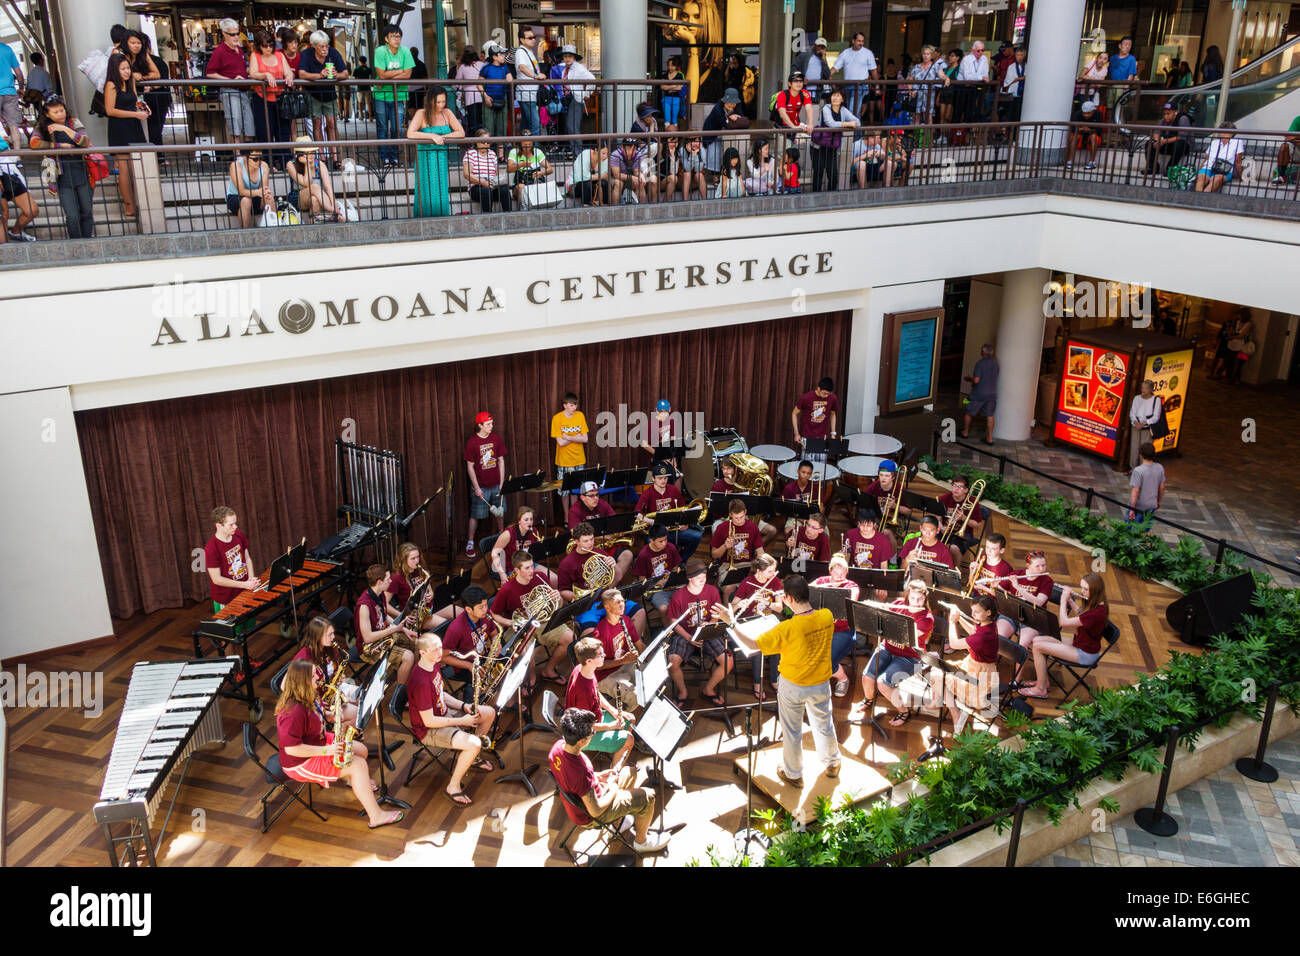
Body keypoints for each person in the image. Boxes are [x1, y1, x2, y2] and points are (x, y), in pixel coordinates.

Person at [276, 660, 403, 828]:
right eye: (313, 676)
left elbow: (316, 712)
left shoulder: (307, 693)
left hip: (318, 741)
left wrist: (328, 714)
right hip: (301, 761)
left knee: (362, 750)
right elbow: (292, 749)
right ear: (302, 680)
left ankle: (355, 781)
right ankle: (376, 816)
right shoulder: (293, 713)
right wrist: (327, 750)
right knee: (358, 765)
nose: (318, 678)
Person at [756, 575, 840, 785]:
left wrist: (731, 623)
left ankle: (793, 773)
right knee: (824, 723)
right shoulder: (827, 616)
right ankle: (832, 763)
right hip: (821, 682)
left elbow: (755, 643)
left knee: (792, 731)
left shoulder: (788, 628)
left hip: (793, 685)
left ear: (788, 599)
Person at [549, 707, 669, 854]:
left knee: (629, 772)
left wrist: (597, 776)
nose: (594, 734)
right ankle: (641, 842)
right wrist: (613, 788)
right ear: (581, 741)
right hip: (590, 815)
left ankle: (617, 826)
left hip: (583, 799)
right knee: (648, 796)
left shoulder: (557, 748)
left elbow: (570, 779)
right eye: (592, 733)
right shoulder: (581, 771)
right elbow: (596, 810)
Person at [408, 633, 495, 806]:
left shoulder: (432, 665)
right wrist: (462, 721)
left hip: (443, 715)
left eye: (440, 647)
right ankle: (453, 787)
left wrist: (464, 706)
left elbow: (441, 694)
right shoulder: (420, 681)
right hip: (429, 730)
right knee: (474, 744)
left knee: (489, 712)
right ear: (422, 653)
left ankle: (473, 759)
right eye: (434, 650)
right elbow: (429, 721)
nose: (440, 653)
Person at [1015, 574, 1110, 701]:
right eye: (1082, 588)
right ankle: (1043, 682)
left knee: (1038, 647)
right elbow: (1081, 615)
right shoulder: (1096, 603)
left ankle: (1041, 689)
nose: (1082, 592)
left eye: (1086, 589)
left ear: (1096, 589)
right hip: (1080, 643)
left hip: (1085, 653)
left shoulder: (1097, 612)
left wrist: (1063, 600)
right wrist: (1070, 600)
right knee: (1036, 640)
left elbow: (1063, 623)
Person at [854, 578, 933, 727]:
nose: (916, 603)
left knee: (883, 683)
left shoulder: (926, 618)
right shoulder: (897, 604)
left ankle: (904, 711)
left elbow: (906, 635)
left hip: (910, 657)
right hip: (888, 648)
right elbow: (879, 619)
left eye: (920, 599)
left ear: (925, 598)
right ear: (908, 595)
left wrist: (887, 622)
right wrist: (873, 608)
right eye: (913, 598)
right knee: (867, 677)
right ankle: (869, 699)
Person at [489, 552, 572, 682]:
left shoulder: (541, 577)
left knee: (570, 638)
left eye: (532, 566)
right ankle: (530, 677)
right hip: (519, 627)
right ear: (517, 570)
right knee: (527, 655)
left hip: (542, 621)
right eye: (527, 568)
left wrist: (558, 598)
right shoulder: (507, 589)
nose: (532, 570)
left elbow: (557, 605)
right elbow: (493, 614)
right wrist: (511, 622)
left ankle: (549, 670)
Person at [666, 559, 727, 706]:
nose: (703, 581)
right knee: (672, 663)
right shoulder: (679, 596)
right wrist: (688, 637)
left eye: (704, 577)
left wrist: (710, 624)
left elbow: (717, 614)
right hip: (686, 633)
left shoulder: (712, 591)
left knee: (728, 661)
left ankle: (708, 689)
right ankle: (683, 692)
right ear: (690, 578)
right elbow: (673, 622)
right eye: (699, 578)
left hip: (707, 632)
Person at [566, 637, 634, 767]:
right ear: (590, 660)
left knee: (630, 718)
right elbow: (586, 726)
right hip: (583, 735)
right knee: (629, 739)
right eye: (601, 655)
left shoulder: (585, 669)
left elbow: (596, 693)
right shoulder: (581, 691)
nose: (605, 655)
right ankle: (614, 774)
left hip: (595, 718)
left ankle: (619, 756)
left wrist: (612, 711)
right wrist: (612, 726)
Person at [941, 593, 1001, 732]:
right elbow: (973, 631)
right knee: (942, 675)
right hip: (974, 664)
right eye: (972, 611)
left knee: (941, 678)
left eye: (977, 612)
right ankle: (958, 710)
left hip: (982, 673)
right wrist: (960, 617)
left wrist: (952, 621)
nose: (973, 615)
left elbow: (955, 644)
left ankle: (957, 713)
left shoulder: (983, 636)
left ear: (988, 612)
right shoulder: (987, 623)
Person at [104, 54, 150, 218]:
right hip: (119, 127)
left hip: (133, 124)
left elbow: (136, 100)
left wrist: (143, 108)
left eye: (128, 68)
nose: (126, 72)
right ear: (115, 70)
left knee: (136, 167)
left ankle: (139, 202)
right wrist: (134, 114)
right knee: (123, 167)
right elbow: (110, 110)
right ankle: (128, 205)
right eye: (122, 69)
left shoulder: (130, 82)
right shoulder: (111, 85)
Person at [356, 563, 417, 682]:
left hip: (384, 635)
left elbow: (384, 615)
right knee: (408, 657)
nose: (390, 581)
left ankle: (408, 677)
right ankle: (400, 694)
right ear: (379, 582)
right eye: (388, 579)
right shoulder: (364, 605)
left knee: (416, 641)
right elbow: (367, 638)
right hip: (369, 648)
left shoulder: (380, 594)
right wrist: (394, 629)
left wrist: (402, 628)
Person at [409, 85, 464, 217]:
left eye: (443, 101)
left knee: (441, 189)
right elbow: (410, 133)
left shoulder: (447, 113)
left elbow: (461, 132)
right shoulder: (421, 113)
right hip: (425, 157)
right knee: (426, 190)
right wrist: (431, 136)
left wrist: (443, 137)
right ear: (430, 101)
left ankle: (442, 217)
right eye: (438, 102)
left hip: (441, 157)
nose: (441, 105)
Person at [810, 554, 860, 697]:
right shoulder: (822, 581)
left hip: (842, 630)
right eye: (836, 573)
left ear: (847, 573)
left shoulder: (851, 585)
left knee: (827, 660)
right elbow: (807, 591)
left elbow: (852, 597)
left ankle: (843, 679)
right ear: (830, 571)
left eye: (842, 573)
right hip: (820, 628)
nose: (839, 577)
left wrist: (832, 589)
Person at [298, 30, 349, 171]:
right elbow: (301, 73)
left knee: (332, 123)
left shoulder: (333, 53)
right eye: (321, 46)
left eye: (326, 45)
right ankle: (321, 157)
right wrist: (319, 75)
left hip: (329, 93)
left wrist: (336, 75)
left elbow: (345, 73)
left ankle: (335, 158)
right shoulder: (307, 54)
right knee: (317, 123)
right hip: (313, 93)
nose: (325, 49)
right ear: (314, 46)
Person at [293, 615, 356, 728]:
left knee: (362, 696)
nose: (333, 637)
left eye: (333, 633)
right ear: (317, 636)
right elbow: (286, 686)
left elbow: (332, 670)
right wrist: (316, 703)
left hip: (332, 690)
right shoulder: (303, 657)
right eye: (329, 635)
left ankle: (352, 733)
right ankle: (338, 740)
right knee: (355, 713)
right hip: (320, 702)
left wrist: (338, 677)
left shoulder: (330, 647)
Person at [588, 589, 646, 711]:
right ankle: (621, 721)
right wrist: (623, 661)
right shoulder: (601, 633)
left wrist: (650, 659)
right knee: (635, 698)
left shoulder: (625, 620)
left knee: (648, 679)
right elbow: (597, 666)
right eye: (617, 602)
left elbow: (639, 644)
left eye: (622, 601)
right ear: (607, 607)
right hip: (604, 675)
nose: (622, 604)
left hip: (623, 665)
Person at [246, 30, 294, 167]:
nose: (268, 48)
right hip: (262, 99)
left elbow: (288, 71)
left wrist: (289, 76)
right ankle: (268, 164)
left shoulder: (279, 55)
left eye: (270, 45)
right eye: (265, 46)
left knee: (283, 132)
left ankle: (286, 163)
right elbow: (253, 73)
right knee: (265, 132)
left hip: (279, 98)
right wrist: (265, 74)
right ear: (259, 46)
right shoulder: (255, 56)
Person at [635, 461, 702, 558]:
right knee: (651, 542)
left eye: (665, 478)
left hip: (673, 530)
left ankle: (680, 561)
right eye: (660, 478)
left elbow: (682, 509)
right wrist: (654, 522)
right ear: (653, 479)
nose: (663, 481)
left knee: (697, 536)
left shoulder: (673, 490)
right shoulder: (647, 493)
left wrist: (684, 523)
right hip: (656, 532)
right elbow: (637, 514)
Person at [205, 18, 254, 147]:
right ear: (225, 34)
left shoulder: (239, 49)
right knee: (235, 125)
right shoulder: (219, 51)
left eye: (237, 33)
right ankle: (238, 156)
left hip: (243, 89)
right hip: (230, 90)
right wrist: (231, 80)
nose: (236, 36)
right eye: (232, 34)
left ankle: (247, 155)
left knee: (248, 125)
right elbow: (210, 73)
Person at [558, 522, 636, 602]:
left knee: (639, 611)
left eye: (592, 539)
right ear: (576, 541)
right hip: (584, 604)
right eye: (586, 541)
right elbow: (563, 591)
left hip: (605, 599)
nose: (590, 543)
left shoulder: (599, 552)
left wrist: (614, 565)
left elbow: (618, 577)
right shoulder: (566, 563)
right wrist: (582, 600)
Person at [464, 410, 507, 555]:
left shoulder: (496, 438)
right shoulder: (472, 443)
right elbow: (469, 466)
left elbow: (501, 461)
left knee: (499, 513)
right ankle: (470, 542)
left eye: (492, 423)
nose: (491, 426)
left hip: (496, 485)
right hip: (481, 486)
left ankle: (502, 535)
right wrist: (476, 488)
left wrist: (502, 483)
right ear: (480, 425)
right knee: (475, 516)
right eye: (488, 424)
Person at [373, 24, 413, 167]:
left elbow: (408, 75)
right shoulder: (380, 51)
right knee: (382, 128)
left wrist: (388, 75)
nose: (396, 39)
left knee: (397, 128)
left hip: (399, 95)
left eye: (398, 36)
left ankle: (395, 157)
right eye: (393, 36)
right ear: (386, 38)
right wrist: (400, 70)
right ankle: (384, 158)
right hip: (381, 95)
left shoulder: (405, 51)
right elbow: (381, 74)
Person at [203, 505, 256, 610]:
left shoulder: (238, 535)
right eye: (231, 525)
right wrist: (245, 585)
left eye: (235, 523)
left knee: (250, 625)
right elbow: (217, 579)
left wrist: (251, 579)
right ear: (218, 526)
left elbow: (248, 559)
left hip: (245, 590)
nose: (235, 527)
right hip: (226, 598)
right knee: (234, 626)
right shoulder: (211, 548)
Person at [286, 136, 342, 222]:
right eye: (307, 153)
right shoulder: (291, 164)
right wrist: (307, 164)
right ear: (299, 154)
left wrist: (334, 203)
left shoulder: (320, 164)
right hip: (297, 197)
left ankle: (313, 224)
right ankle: (334, 212)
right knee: (314, 187)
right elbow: (306, 183)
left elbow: (328, 188)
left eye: (312, 152)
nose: (311, 155)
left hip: (317, 197)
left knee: (314, 200)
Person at [710, 498, 766, 579]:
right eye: (736, 518)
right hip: (727, 565)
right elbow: (714, 555)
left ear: (745, 512)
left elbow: (760, 551)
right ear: (730, 514)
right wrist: (725, 546)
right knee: (729, 587)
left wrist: (762, 563)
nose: (739, 521)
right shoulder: (721, 527)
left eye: (742, 517)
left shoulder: (753, 527)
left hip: (747, 564)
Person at [633, 524, 682, 615]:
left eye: (665, 540)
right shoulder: (643, 555)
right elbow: (642, 580)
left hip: (671, 585)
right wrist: (658, 583)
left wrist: (673, 579)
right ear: (651, 540)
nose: (664, 543)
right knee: (665, 609)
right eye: (660, 541)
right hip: (655, 589)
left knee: (687, 600)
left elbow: (675, 568)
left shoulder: (670, 547)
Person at [939, 474, 987, 565]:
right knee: (931, 539)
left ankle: (955, 572)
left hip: (964, 533)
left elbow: (978, 525)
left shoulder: (972, 502)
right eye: (954, 485)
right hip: (945, 529)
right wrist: (941, 527)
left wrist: (964, 518)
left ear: (966, 490)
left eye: (960, 487)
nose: (956, 489)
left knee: (954, 548)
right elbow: (937, 518)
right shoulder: (944, 499)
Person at [551, 392, 589, 507]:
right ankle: (566, 518)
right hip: (564, 461)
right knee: (564, 492)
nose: (575, 407)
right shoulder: (557, 418)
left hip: (579, 459)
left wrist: (568, 437)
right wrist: (577, 437)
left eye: (575, 405)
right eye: (572, 405)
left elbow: (585, 439)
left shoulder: (580, 415)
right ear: (565, 405)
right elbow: (561, 442)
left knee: (575, 491)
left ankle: (574, 515)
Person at [490, 505, 543, 584]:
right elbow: (494, 553)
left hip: (529, 565)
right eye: (526, 520)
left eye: (531, 519)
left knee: (553, 578)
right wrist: (502, 574)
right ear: (519, 521)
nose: (529, 522)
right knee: (533, 584)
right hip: (513, 568)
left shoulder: (534, 532)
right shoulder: (508, 534)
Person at [462, 128, 511, 212]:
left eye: (488, 142)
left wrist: (499, 181)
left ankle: (509, 216)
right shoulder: (471, 153)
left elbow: (496, 173)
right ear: (476, 141)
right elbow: (466, 174)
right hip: (476, 187)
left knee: (505, 190)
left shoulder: (492, 153)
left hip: (492, 184)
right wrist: (483, 182)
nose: (485, 144)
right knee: (486, 191)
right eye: (483, 141)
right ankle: (488, 217)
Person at [2, 131, 38, 243]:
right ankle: (6, 243)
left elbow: (5, 144)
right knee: (3, 214)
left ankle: (15, 232)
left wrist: (5, 142)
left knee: (32, 210)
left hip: (8, 170)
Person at [834, 33, 879, 120]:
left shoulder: (867, 53)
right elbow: (835, 68)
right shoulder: (846, 53)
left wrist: (877, 86)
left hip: (861, 86)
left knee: (852, 111)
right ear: (853, 41)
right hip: (848, 86)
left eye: (862, 41)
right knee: (855, 113)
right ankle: (857, 133)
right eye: (859, 41)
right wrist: (826, 76)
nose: (861, 43)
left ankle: (849, 133)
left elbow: (874, 71)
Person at [701, 87, 744, 179]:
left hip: (723, 134)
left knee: (721, 154)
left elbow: (741, 118)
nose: (732, 105)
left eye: (734, 103)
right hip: (711, 132)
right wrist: (732, 117)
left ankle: (721, 173)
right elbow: (725, 123)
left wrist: (737, 118)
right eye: (729, 103)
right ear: (724, 101)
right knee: (714, 154)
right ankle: (714, 176)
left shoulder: (738, 105)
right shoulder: (717, 108)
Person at [224, 148, 272, 228]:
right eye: (255, 159)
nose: (259, 161)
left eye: (261, 158)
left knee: (270, 199)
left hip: (254, 196)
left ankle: (275, 229)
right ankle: (246, 233)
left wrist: (265, 195)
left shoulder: (264, 166)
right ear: (245, 158)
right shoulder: (236, 166)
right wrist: (258, 192)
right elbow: (241, 191)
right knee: (246, 201)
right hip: (235, 197)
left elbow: (264, 188)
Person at [963, 343, 998, 444]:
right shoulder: (995, 363)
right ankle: (990, 439)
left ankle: (965, 432)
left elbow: (977, 380)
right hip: (992, 393)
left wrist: (969, 378)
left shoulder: (980, 363)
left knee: (968, 410)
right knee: (990, 415)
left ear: (983, 352)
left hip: (978, 394)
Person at [1144, 101, 1190, 176]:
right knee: (1150, 143)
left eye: (1168, 113)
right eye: (1164, 114)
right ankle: (1153, 168)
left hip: (1182, 146)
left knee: (1179, 144)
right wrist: (1157, 140)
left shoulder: (1183, 118)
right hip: (1168, 144)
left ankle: (1171, 168)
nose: (1166, 116)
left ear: (1175, 112)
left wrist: (1164, 141)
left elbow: (1182, 136)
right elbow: (1156, 132)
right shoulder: (1164, 120)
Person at [559, 46, 594, 142]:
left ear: (574, 58)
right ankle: (575, 152)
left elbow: (592, 80)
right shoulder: (565, 69)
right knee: (570, 127)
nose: (567, 59)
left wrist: (586, 94)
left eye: (570, 56)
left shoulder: (579, 68)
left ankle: (578, 153)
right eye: (565, 56)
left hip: (576, 99)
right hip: (568, 99)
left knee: (573, 127)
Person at [478, 44, 510, 149]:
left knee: (502, 126)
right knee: (489, 126)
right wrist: (485, 97)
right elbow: (479, 83)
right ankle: (488, 151)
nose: (503, 57)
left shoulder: (505, 67)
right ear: (494, 57)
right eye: (501, 55)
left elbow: (510, 79)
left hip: (501, 99)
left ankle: (500, 152)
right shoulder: (486, 68)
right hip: (489, 99)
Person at [512, 27, 543, 136]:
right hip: (526, 93)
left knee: (526, 124)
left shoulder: (529, 51)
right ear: (522, 40)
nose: (533, 40)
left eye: (534, 37)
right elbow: (522, 67)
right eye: (529, 38)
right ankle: (535, 150)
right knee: (534, 124)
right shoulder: (521, 52)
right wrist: (536, 76)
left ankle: (523, 149)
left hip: (529, 93)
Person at [1194, 124, 1242, 193]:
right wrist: (1200, 169)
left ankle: (1201, 200)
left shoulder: (1237, 143)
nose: (1222, 134)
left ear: (1232, 134)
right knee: (1201, 178)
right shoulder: (1214, 142)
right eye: (1221, 132)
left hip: (1224, 171)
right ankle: (1198, 200)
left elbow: (1238, 162)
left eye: (1225, 132)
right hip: (1208, 167)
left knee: (1217, 179)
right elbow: (1207, 159)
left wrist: (1240, 176)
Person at [1127, 379, 1163, 471]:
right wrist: (1136, 422)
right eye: (1142, 388)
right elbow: (1132, 413)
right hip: (1136, 426)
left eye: (1146, 388)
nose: (1143, 390)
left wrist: (1143, 423)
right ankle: (1133, 468)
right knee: (1134, 448)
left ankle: (1144, 469)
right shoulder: (1137, 398)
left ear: (1151, 389)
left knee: (1145, 448)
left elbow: (1156, 417)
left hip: (1147, 428)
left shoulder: (1156, 400)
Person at [507, 135, 552, 207]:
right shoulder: (514, 152)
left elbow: (550, 169)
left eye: (530, 145)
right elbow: (509, 169)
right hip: (519, 186)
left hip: (534, 183)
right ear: (520, 143)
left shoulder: (537, 152)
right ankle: (523, 209)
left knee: (536, 186)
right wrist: (521, 165)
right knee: (522, 187)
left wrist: (541, 173)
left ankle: (537, 209)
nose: (527, 147)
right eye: (525, 145)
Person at [611, 136, 657, 204]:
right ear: (622, 147)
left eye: (634, 149)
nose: (630, 152)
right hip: (616, 179)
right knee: (618, 183)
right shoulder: (615, 154)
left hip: (629, 179)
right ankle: (614, 210)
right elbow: (616, 174)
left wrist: (640, 176)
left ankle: (641, 209)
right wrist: (633, 178)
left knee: (640, 182)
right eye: (628, 148)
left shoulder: (638, 154)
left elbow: (636, 171)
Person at [792, 377, 839, 445]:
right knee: (806, 456)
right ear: (818, 388)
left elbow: (833, 414)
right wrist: (796, 434)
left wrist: (833, 433)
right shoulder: (806, 397)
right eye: (824, 393)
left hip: (823, 437)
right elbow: (794, 413)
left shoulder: (832, 398)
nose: (826, 396)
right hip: (807, 436)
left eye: (828, 394)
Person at [1128, 442, 1165, 524]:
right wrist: (1158, 501)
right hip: (1152, 504)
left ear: (1141, 455)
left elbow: (1136, 490)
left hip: (1139, 506)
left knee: (1130, 529)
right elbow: (1162, 488)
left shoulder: (1138, 470)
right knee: (1144, 529)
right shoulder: (1160, 468)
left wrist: (1132, 508)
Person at [567, 140, 611, 205]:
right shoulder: (585, 154)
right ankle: (586, 206)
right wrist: (600, 176)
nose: (605, 156)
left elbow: (605, 175)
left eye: (607, 153)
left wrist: (600, 177)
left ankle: (605, 205)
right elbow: (583, 176)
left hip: (592, 185)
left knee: (604, 183)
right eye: (603, 153)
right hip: (576, 185)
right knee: (587, 184)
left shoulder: (605, 159)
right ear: (596, 150)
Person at [955, 41, 989, 124]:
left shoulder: (984, 58)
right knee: (958, 113)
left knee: (971, 112)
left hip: (974, 87)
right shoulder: (967, 59)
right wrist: (980, 77)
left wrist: (980, 77)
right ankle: (954, 134)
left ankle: (967, 133)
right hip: (962, 87)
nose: (981, 52)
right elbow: (968, 77)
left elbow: (986, 74)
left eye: (982, 50)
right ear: (973, 50)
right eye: (978, 51)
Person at [454, 47, 483, 134]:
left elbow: (456, 82)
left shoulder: (463, 67)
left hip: (470, 96)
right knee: (480, 120)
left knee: (472, 120)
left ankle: (473, 141)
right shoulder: (481, 64)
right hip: (482, 94)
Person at [796, 37, 831, 102]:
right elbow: (794, 68)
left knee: (815, 110)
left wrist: (823, 61)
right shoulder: (804, 55)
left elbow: (827, 76)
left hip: (817, 93)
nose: (820, 49)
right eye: (819, 46)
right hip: (803, 90)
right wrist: (801, 77)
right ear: (814, 45)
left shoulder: (823, 59)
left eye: (822, 47)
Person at [677, 134, 707, 200]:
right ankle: (685, 202)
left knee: (699, 175)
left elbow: (698, 169)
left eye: (697, 141)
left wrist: (695, 154)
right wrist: (692, 155)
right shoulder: (682, 150)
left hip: (694, 182)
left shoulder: (702, 150)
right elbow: (687, 168)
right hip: (682, 181)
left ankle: (705, 201)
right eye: (693, 141)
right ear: (687, 142)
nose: (696, 144)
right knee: (687, 174)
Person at [1000, 46, 1026, 122]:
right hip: (1013, 94)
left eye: (1021, 55)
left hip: (1022, 94)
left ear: (1024, 55)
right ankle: (1010, 132)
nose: (1019, 57)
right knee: (1011, 115)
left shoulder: (1026, 66)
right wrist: (1021, 78)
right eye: (1018, 55)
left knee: (1019, 115)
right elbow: (1010, 81)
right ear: (1015, 55)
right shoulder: (1011, 67)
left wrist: (1019, 78)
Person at [661, 55, 687, 128]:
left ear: (676, 66)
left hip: (676, 99)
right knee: (667, 118)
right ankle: (668, 136)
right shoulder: (665, 75)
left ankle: (674, 137)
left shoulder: (679, 75)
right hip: (666, 98)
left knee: (674, 118)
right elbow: (662, 87)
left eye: (672, 65)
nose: (670, 67)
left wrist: (668, 87)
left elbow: (680, 87)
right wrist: (674, 86)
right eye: (668, 65)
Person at [407, 46, 428, 121]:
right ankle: (419, 121)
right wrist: (426, 88)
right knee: (419, 106)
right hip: (420, 88)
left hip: (410, 88)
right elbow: (425, 77)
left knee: (411, 106)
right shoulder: (422, 64)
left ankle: (414, 120)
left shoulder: (408, 65)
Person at [352, 54, 373, 121]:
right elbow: (371, 76)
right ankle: (370, 116)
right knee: (368, 102)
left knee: (360, 102)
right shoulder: (368, 68)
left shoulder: (357, 69)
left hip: (360, 87)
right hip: (367, 87)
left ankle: (361, 116)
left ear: (359, 61)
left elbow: (354, 77)